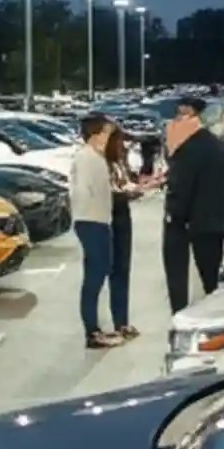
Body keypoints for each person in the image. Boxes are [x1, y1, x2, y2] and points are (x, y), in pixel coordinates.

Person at [163, 97, 224, 314]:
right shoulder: (221, 146)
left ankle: (181, 316)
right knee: (212, 279)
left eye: (182, 115)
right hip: (215, 220)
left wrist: (173, 215)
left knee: (177, 278)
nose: (177, 120)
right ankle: (216, 316)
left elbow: (181, 187)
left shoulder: (187, 148)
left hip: (186, 223)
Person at [69, 115, 122, 349]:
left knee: (101, 270)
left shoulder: (96, 157)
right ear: (94, 134)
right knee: (95, 274)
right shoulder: (85, 157)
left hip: (99, 220)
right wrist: (88, 209)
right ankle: (91, 331)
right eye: (106, 133)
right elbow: (82, 191)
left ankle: (94, 328)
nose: (108, 138)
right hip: (90, 221)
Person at [105, 126, 142, 340]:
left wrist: (135, 188)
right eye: (120, 141)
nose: (123, 145)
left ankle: (122, 321)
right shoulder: (101, 163)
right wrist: (125, 192)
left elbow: (123, 185)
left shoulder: (119, 162)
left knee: (122, 269)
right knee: (110, 270)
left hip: (122, 215)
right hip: (108, 216)